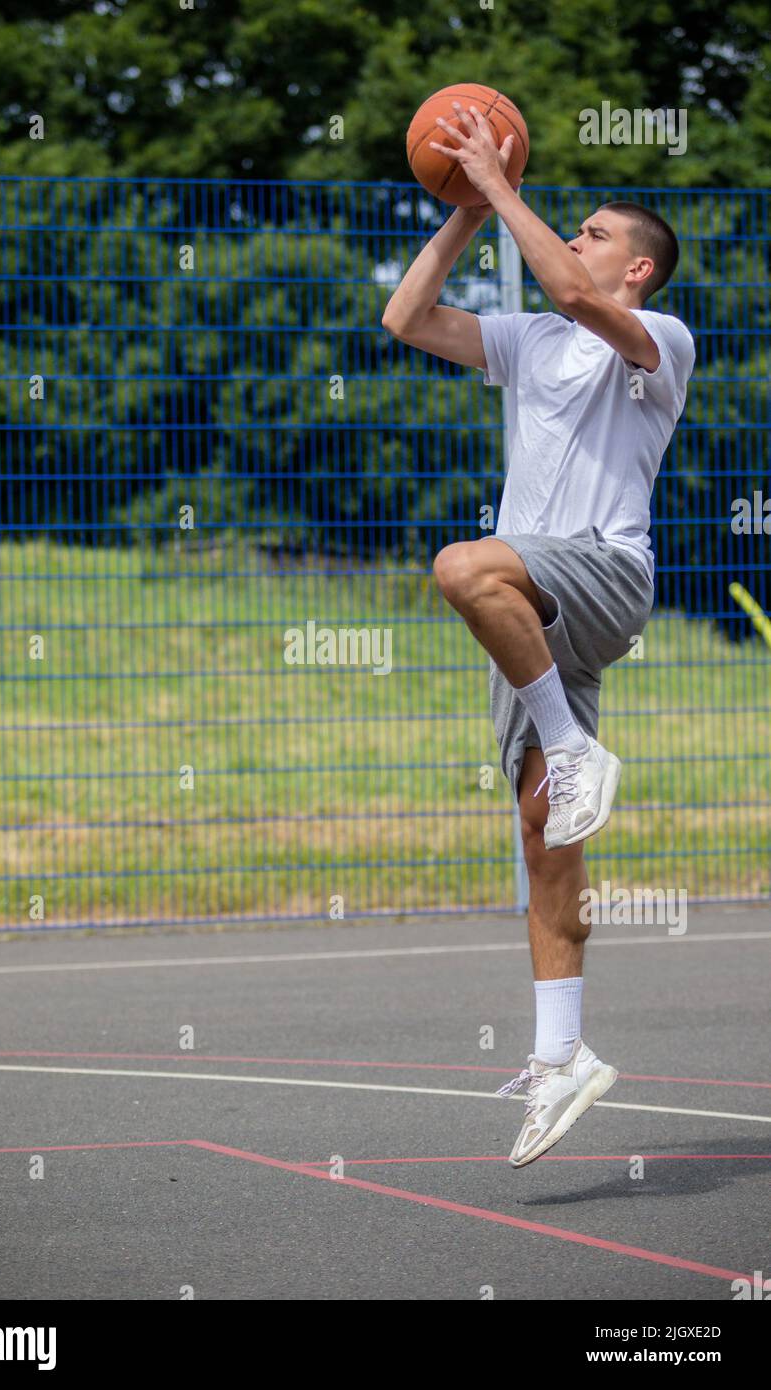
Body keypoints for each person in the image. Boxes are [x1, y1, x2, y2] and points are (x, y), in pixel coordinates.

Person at [381, 102, 695, 1167]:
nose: (576, 242)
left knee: (460, 562)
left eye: (596, 234)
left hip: (600, 578)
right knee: (541, 836)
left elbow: (564, 284)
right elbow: (407, 318)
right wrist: (466, 208)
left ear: (638, 270)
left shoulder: (656, 344)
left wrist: (502, 184)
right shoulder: (534, 342)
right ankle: (563, 1054)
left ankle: (572, 747)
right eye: (577, 228)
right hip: (533, 607)